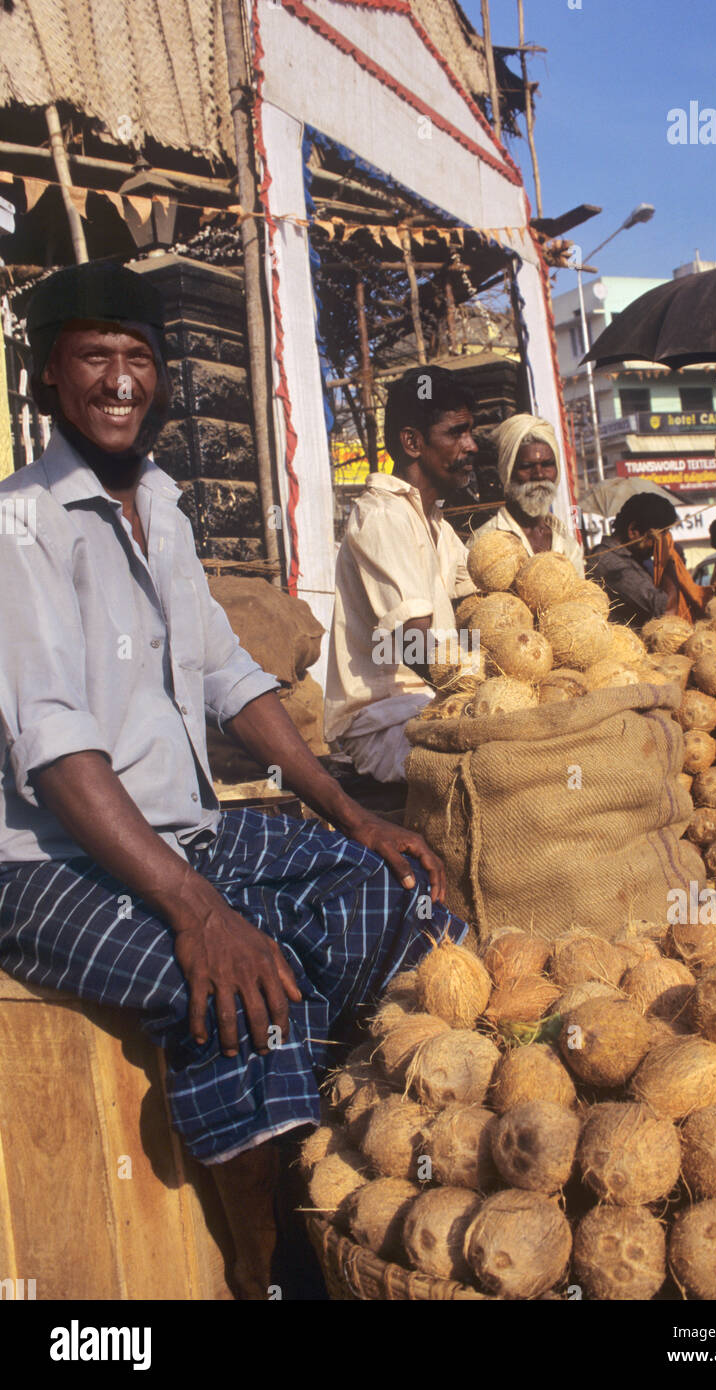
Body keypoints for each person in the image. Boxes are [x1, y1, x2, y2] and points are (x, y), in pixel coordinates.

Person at [0, 262, 465, 1298]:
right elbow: (58, 753)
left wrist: (352, 813)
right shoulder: (16, 528)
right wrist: (200, 911)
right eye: (93, 360)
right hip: (48, 861)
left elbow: (229, 678)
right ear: (45, 381)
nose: (120, 382)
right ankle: (268, 1265)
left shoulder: (161, 510)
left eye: (137, 360)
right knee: (244, 998)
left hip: (185, 829)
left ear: (162, 378)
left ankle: (342, 1169)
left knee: (393, 896)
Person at [325, 365, 478, 782]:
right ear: (413, 442)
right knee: (494, 767)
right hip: (382, 722)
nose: (472, 445)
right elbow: (414, 642)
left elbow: (480, 607)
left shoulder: (440, 528)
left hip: (429, 706)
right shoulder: (381, 516)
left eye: (471, 431)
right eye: (457, 433)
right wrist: (478, 690)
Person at [473, 413, 584, 573]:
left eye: (547, 464)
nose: (539, 475)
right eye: (526, 466)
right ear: (508, 472)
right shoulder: (484, 541)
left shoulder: (567, 544)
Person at [588, 493, 706, 627]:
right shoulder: (608, 561)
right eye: (658, 538)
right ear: (633, 531)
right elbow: (666, 610)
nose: (658, 545)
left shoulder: (633, 558)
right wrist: (667, 559)